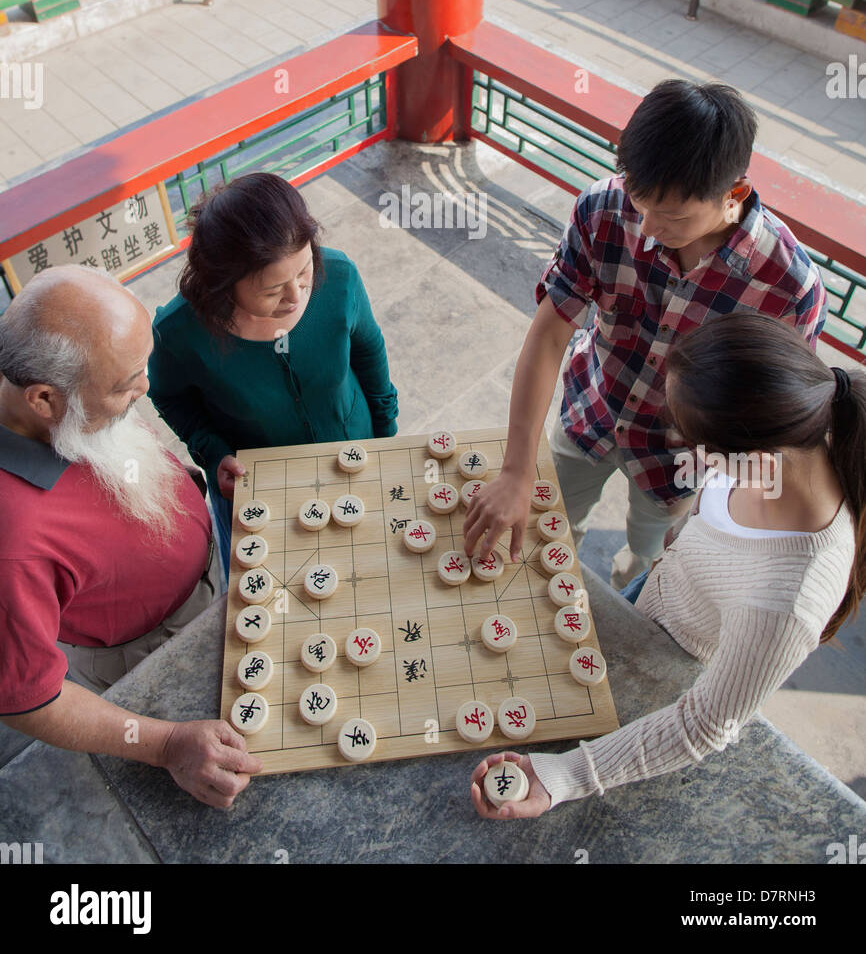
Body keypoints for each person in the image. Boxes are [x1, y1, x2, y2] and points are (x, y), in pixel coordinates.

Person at [469, 311, 862, 818]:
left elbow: (702, 725)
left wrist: (564, 775)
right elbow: (715, 512)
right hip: (651, 599)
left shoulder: (789, 601)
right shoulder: (793, 435)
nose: (681, 452)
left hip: (671, 677)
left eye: (693, 443)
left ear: (754, 455)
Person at [464, 78, 827, 589]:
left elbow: (768, 423)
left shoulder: (786, 289)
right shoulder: (604, 209)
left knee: (649, 562)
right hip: (592, 406)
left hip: (683, 458)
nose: (648, 228)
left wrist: (717, 513)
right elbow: (550, 334)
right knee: (551, 528)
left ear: (734, 195)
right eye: (640, 201)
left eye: (674, 216)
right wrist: (517, 469)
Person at [0, 266, 261, 809]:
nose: (145, 390)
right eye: (126, 386)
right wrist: (166, 744)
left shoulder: (64, 403)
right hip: (148, 647)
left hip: (205, 574)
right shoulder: (14, 543)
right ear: (44, 401)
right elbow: (29, 699)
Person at [147, 171, 399, 574]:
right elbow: (168, 395)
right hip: (263, 488)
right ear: (222, 284)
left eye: (303, 272)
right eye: (271, 290)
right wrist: (213, 452)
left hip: (355, 448)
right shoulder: (179, 333)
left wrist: (387, 438)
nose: (296, 295)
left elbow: (369, 353)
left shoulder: (339, 277)